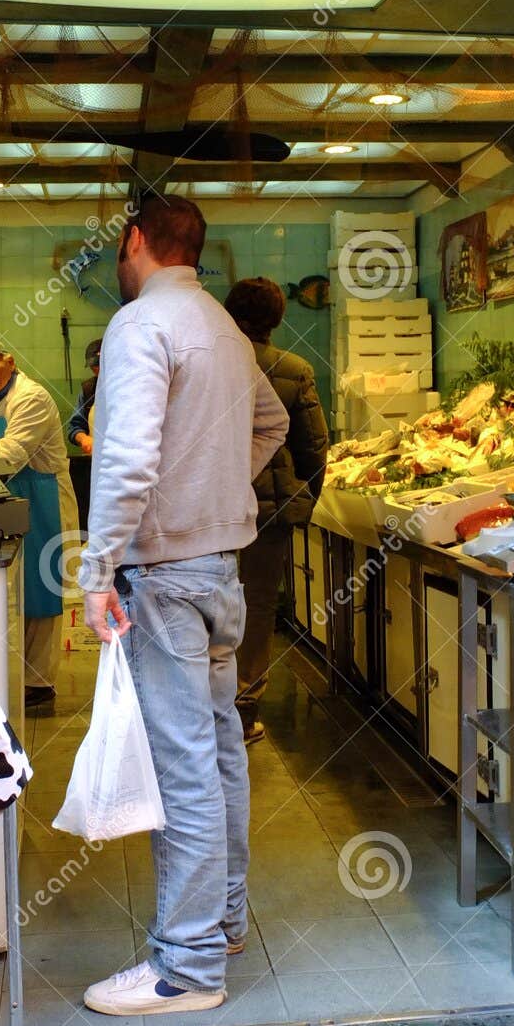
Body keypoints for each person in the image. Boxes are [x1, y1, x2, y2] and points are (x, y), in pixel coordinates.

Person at [77, 194, 289, 1016]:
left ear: (135, 239)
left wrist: (97, 570)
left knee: (184, 766)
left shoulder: (140, 324)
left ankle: (188, 968)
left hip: (165, 576)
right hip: (221, 571)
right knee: (220, 750)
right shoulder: (224, 327)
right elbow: (270, 423)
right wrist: (214, 485)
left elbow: (127, 459)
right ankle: (224, 922)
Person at [223, 277, 329, 745]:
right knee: (259, 603)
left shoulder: (211, 363)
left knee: (208, 600)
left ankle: (203, 710)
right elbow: (314, 446)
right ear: (278, 318)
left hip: (212, 509)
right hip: (269, 511)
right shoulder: (294, 369)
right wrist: (301, 498)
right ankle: (243, 711)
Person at [0, 337, 79, 706]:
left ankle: (39, 682)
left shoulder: (31, 397)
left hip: (43, 497)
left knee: (41, 588)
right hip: (3, 496)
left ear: (10, 361)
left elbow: (11, 453)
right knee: (10, 589)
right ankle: (5, 676)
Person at [66, 337, 102, 455]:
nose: (98, 371)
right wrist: (84, 439)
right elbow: (74, 427)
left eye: (101, 365)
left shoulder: (132, 387)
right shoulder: (88, 390)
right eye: (94, 368)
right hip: (97, 460)